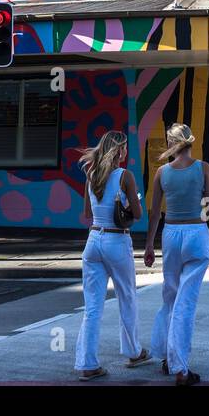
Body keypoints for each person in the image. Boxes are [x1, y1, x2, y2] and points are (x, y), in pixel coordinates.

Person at [143, 124, 209, 386]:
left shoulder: (162, 173)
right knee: (186, 303)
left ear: (171, 144)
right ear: (191, 142)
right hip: (196, 234)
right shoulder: (203, 169)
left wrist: (149, 245)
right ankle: (180, 369)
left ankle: (167, 357)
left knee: (170, 297)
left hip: (170, 234)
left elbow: (155, 212)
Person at [75, 130, 150, 381]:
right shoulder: (124, 176)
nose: (126, 152)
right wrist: (129, 203)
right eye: (124, 148)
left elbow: (87, 212)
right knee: (127, 297)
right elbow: (138, 214)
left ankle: (87, 364)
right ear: (119, 150)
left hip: (93, 239)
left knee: (92, 307)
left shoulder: (91, 173)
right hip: (117, 240)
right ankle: (133, 352)